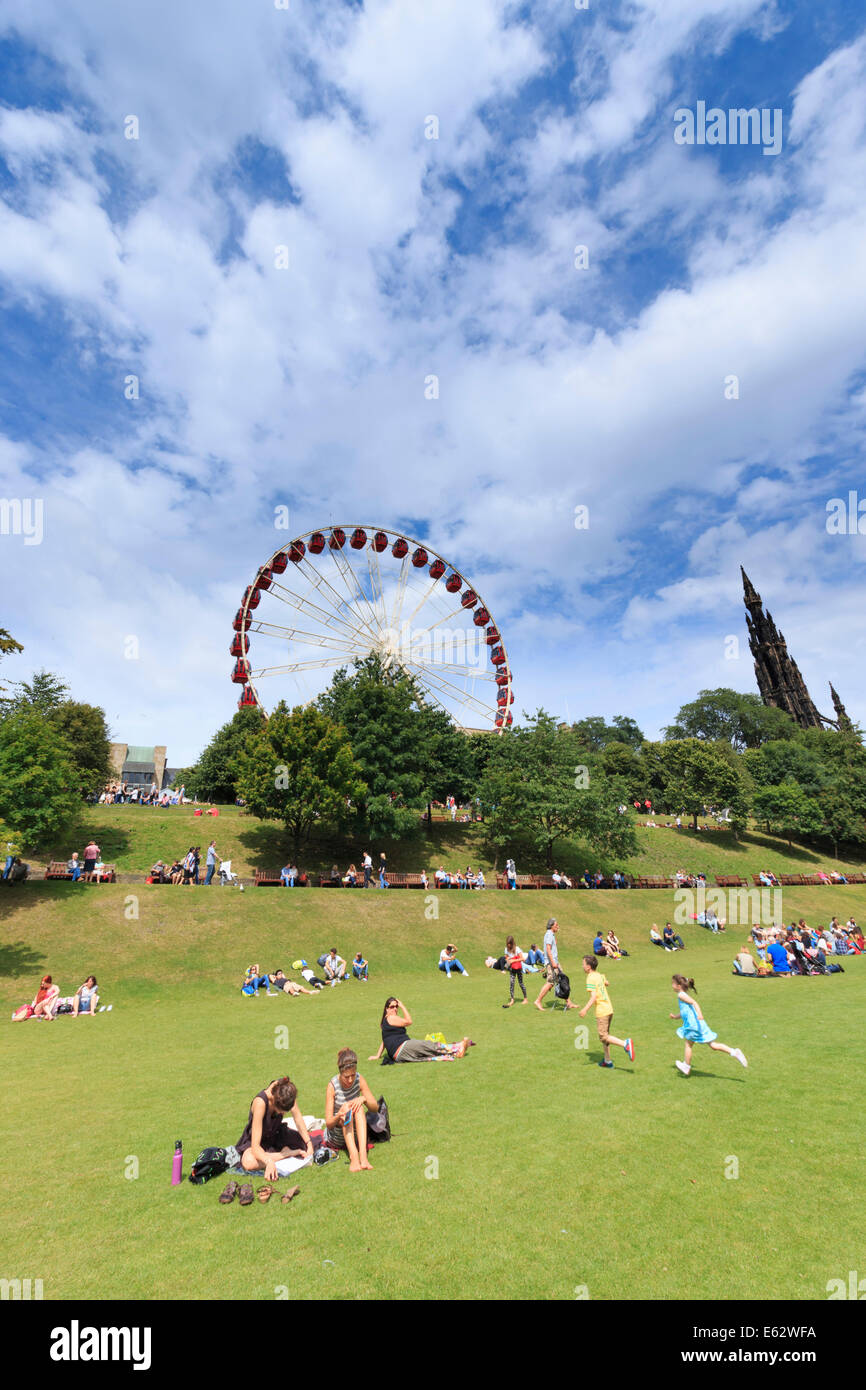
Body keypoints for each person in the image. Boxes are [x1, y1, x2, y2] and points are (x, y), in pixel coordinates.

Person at [236, 1077, 314, 1179]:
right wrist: (268, 1162)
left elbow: (298, 1118)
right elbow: (255, 1146)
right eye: (281, 1111)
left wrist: (309, 1143)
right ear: (274, 1100)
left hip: (277, 1135)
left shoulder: (285, 1091)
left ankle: (280, 1154)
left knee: (304, 1146)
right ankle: (286, 1154)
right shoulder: (261, 1103)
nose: (282, 1114)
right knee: (249, 1162)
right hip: (258, 1142)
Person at [669, 975, 747, 1076]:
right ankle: (734, 1052)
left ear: (679, 986)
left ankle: (686, 1066)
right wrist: (675, 1016)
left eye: (673, 984)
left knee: (688, 1044)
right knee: (713, 1045)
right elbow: (685, 1012)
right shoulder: (683, 995)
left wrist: (700, 1014)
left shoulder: (681, 995)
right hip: (699, 1025)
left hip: (693, 1025)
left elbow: (694, 1003)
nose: (672, 986)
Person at [368, 997, 474, 1063]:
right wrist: (403, 1006)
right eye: (392, 1007)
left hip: (399, 1052)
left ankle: (456, 1052)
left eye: (396, 1006)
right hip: (402, 1048)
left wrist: (378, 1055)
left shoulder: (385, 1022)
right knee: (427, 1045)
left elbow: (385, 1040)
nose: (395, 1009)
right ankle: (457, 1048)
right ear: (386, 1009)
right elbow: (409, 1021)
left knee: (426, 1051)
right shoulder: (391, 1018)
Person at [324, 1048, 378, 1171]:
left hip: (356, 1134)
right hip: (337, 1135)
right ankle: (354, 1158)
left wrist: (363, 1099)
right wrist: (339, 1115)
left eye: (352, 1075)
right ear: (340, 1073)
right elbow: (328, 1123)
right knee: (348, 1109)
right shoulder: (332, 1086)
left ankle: (363, 1157)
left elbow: (375, 1108)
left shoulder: (359, 1079)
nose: (350, 1080)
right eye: (346, 1077)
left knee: (357, 1107)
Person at [578, 956, 634, 1068]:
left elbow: (593, 996)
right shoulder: (599, 975)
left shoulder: (590, 977)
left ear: (588, 967)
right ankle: (607, 1061)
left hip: (602, 1010)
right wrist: (604, 982)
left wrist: (584, 1009)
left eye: (583, 964)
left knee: (603, 1037)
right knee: (606, 1037)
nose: (582, 966)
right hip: (609, 1008)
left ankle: (625, 1044)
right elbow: (607, 982)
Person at [534, 919, 573, 1010]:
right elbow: (548, 949)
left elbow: (550, 947)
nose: (558, 926)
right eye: (556, 925)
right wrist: (553, 963)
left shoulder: (551, 934)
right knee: (550, 983)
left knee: (563, 980)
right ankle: (538, 1001)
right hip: (552, 963)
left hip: (555, 962)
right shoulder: (549, 935)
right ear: (551, 926)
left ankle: (569, 1003)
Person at [502, 935, 527, 1007]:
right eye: (507, 943)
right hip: (512, 968)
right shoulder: (506, 949)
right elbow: (506, 957)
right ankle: (512, 1000)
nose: (509, 945)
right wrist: (508, 960)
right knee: (511, 983)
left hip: (518, 968)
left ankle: (525, 999)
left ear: (512, 943)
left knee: (521, 983)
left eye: (510, 943)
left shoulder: (517, 949)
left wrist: (514, 960)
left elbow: (522, 959)